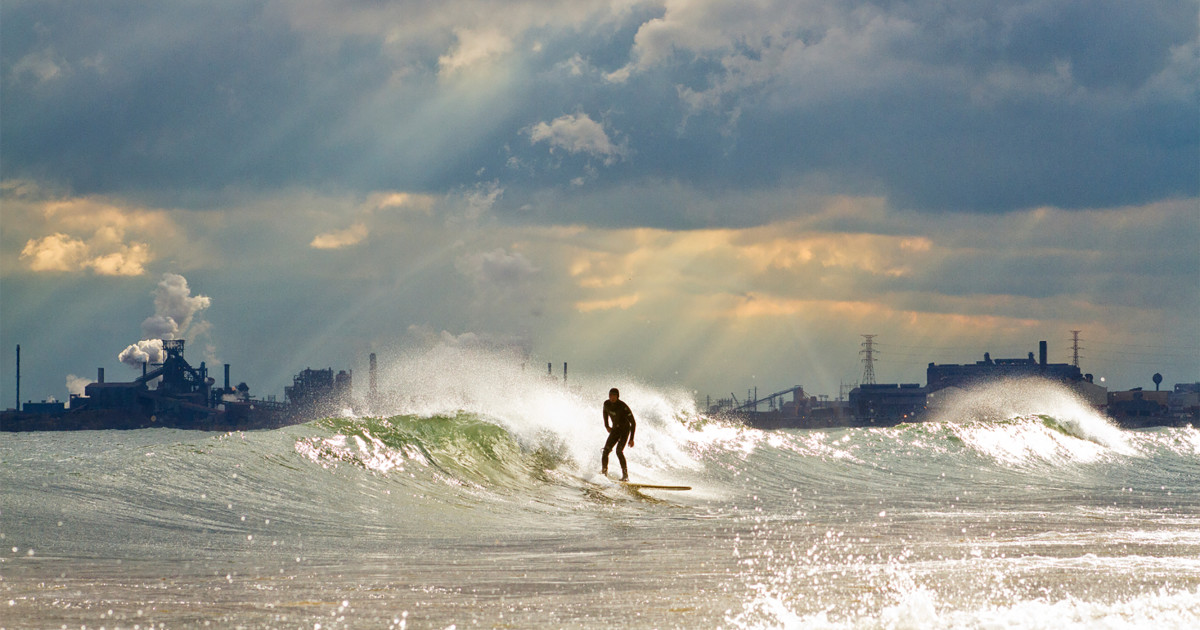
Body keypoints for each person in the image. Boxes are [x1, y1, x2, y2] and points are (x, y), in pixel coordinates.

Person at [601, 387, 636, 481]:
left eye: (614, 396)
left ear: (617, 396)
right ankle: (604, 473)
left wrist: (631, 439)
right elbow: (605, 413)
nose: (611, 397)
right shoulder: (606, 404)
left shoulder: (623, 406)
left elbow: (633, 422)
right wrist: (607, 426)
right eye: (610, 395)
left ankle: (625, 476)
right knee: (605, 451)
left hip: (624, 430)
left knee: (619, 451)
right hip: (615, 430)